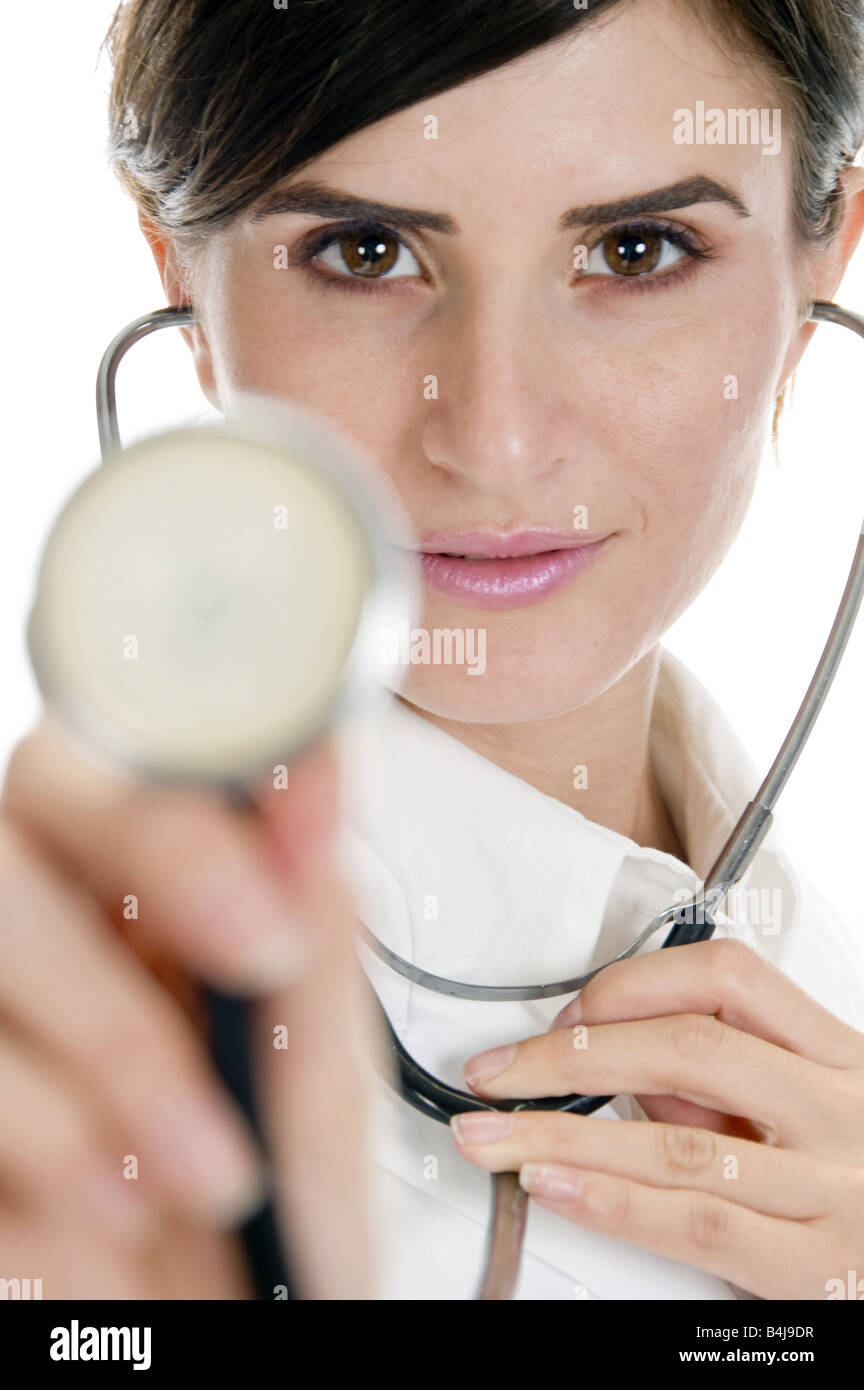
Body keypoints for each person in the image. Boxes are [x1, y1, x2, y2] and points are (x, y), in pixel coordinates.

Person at [2, 0, 864, 1300]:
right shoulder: (70, 1052)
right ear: (178, 273)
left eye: (635, 249)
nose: (495, 436)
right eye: (364, 250)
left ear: (822, 264)